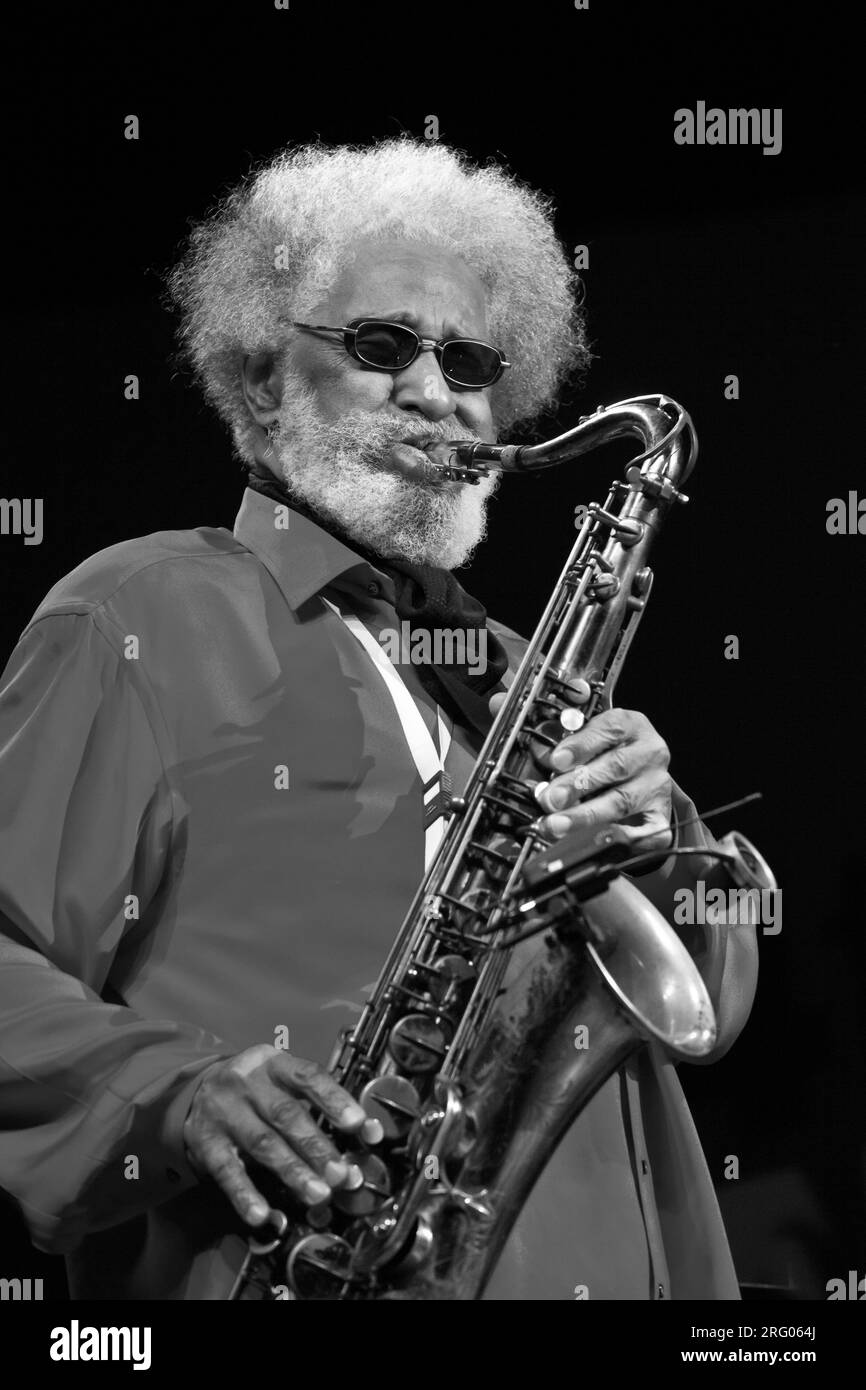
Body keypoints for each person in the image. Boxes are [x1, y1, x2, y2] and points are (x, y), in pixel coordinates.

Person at [0, 138, 758, 1300]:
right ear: (260, 377)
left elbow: (703, 984)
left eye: (467, 362)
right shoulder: (142, 608)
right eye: (380, 344)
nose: (433, 392)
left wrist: (661, 835)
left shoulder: (525, 674)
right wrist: (177, 1089)